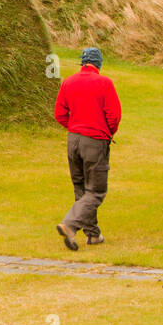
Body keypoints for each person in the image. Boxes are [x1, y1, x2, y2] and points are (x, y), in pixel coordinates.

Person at [53, 47, 120, 250]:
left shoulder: (68, 82)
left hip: (73, 140)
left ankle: (92, 234)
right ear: (98, 64)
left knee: (81, 187)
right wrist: (106, 133)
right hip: (95, 140)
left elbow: (59, 113)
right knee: (96, 190)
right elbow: (114, 116)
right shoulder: (104, 83)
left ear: (82, 63)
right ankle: (70, 225)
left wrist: (74, 127)